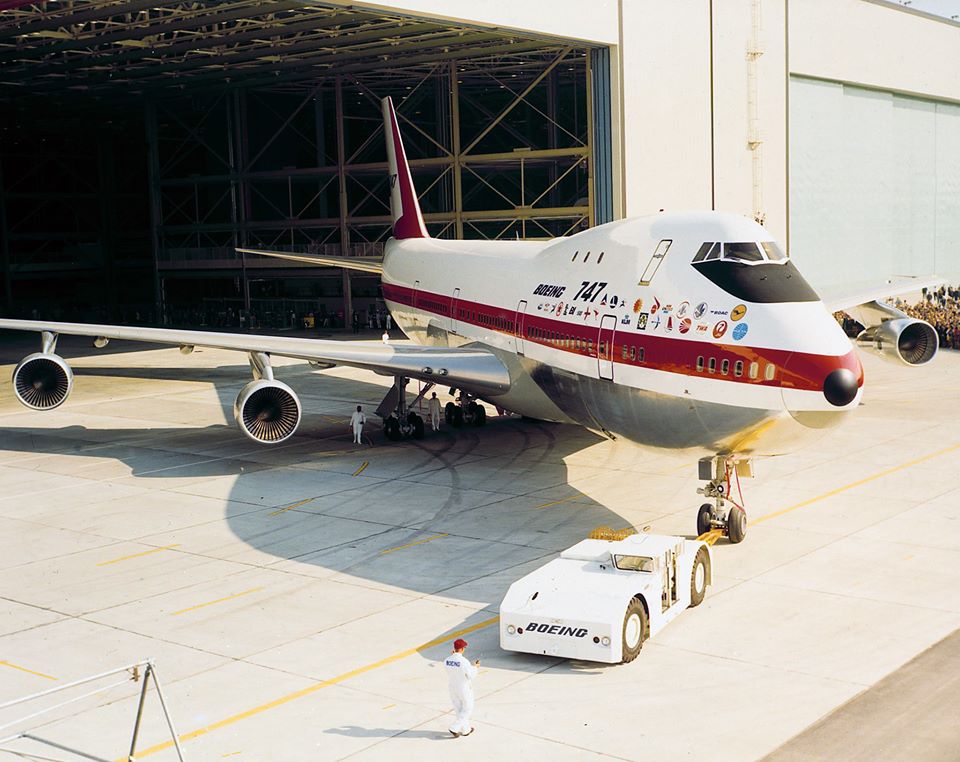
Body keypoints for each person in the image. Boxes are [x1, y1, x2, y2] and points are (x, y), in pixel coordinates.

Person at [444, 638, 478, 738]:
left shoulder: (447, 660)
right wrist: (475, 667)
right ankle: (455, 727)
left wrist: (452, 656)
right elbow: (471, 675)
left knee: (458, 708)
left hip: (452, 686)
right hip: (464, 687)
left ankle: (465, 730)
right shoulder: (464, 661)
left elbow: (451, 668)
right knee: (467, 708)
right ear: (462, 649)